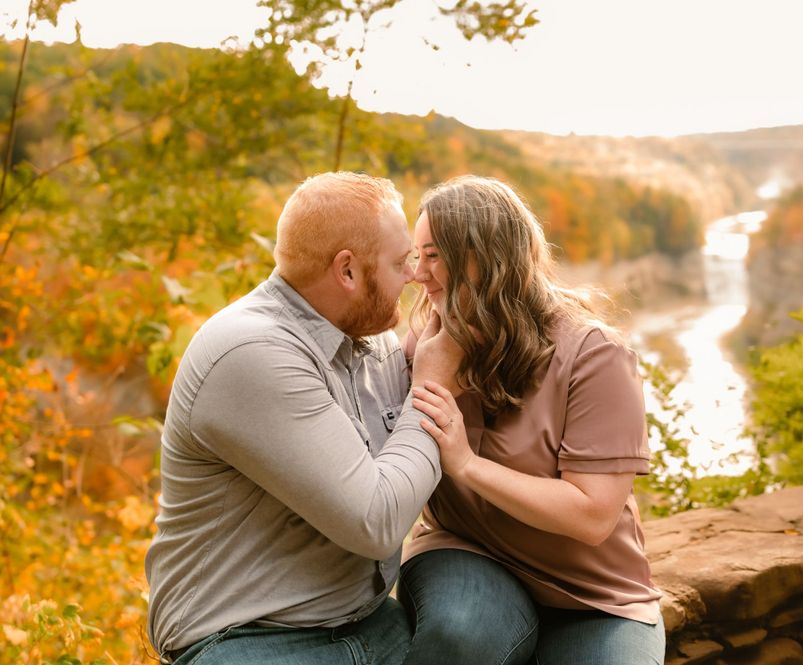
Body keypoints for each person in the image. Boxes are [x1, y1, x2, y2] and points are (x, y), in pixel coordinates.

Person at [145, 172, 459, 665]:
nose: (415, 276)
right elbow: (374, 521)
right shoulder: (252, 352)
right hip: (246, 640)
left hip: (370, 624)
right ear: (348, 272)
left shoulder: (367, 337)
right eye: (401, 262)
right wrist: (430, 386)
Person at [400, 175, 665, 665]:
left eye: (435, 255)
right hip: (466, 551)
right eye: (417, 256)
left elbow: (592, 516)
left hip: (594, 593)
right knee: (460, 639)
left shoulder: (594, 354)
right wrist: (427, 381)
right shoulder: (423, 350)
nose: (420, 274)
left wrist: (467, 465)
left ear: (489, 255)